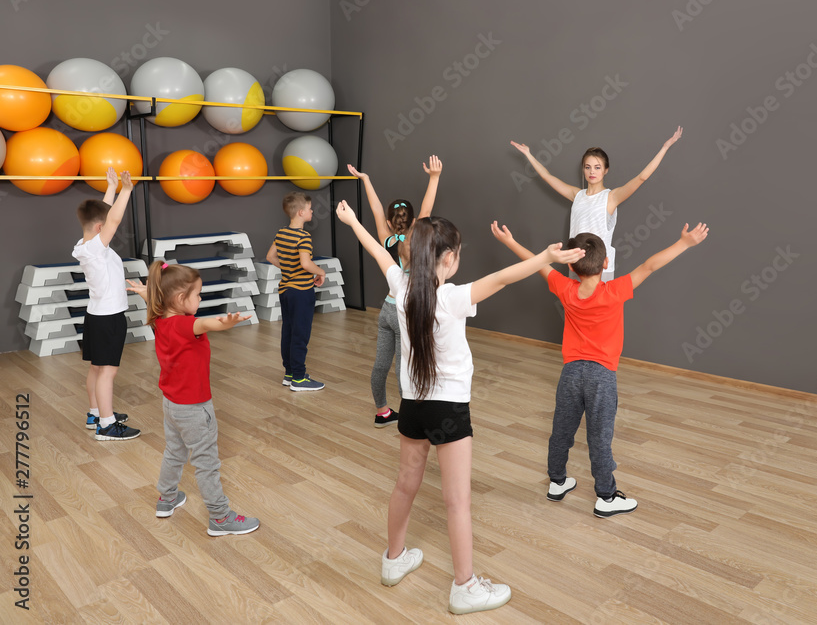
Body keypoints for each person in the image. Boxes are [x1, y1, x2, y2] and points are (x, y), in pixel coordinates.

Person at [336, 200, 583, 615]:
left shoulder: (400, 286)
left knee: (404, 485)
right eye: (459, 254)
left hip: (412, 406)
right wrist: (545, 257)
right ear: (448, 258)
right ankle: (464, 586)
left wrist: (351, 221)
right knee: (457, 501)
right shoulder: (450, 297)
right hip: (449, 409)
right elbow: (503, 278)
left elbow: (378, 251)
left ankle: (393, 560)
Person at [491, 219, 708, 517]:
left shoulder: (565, 288)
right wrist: (684, 243)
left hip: (570, 373)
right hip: (601, 377)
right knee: (599, 438)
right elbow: (649, 266)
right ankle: (606, 497)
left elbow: (537, 264)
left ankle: (557, 481)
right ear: (606, 262)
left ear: (570, 266)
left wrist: (509, 242)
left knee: (561, 431)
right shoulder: (615, 291)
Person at [127, 264, 260, 536]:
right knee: (207, 462)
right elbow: (205, 323)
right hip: (196, 409)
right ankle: (220, 518)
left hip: (171, 405)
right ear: (179, 299)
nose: (201, 299)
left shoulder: (160, 316)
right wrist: (226, 323)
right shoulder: (188, 324)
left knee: (175, 451)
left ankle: (166, 498)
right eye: (198, 294)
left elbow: (157, 302)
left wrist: (146, 292)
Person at [510, 127, 683, 280]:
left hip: (600, 268)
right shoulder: (576, 195)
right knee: (575, 311)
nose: (592, 171)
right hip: (575, 264)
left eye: (597, 167)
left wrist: (665, 147)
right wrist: (528, 155)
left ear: (605, 170)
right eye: (587, 167)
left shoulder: (611, 197)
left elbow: (641, 177)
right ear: (583, 169)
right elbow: (548, 177)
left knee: (599, 314)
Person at [347, 156, 442, 428]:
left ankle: (382, 411)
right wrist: (434, 177)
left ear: (390, 222)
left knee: (380, 364)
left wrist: (366, 180)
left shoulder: (386, 239)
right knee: (404, 367)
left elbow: (376, 209)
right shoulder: (419, 236)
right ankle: (410, 418)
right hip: (406, 310)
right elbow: (427, 207)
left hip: (387, 308)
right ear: (414, 221)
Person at [72, 167, 141, 440]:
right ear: (101, 229)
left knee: (97, 368)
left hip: (95, 316)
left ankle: (95, 413)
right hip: (109, 318)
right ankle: (107, 425)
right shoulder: (97, 249)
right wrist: (126, 190)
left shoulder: (85, 244)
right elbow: (111, 221)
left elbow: (104, 218)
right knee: (107, 373)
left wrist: (111, 188)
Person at [265, 192, 326, 391]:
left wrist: (287, 269)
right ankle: (299, 379)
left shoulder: (282, 232)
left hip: (285, 291)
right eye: (309, 208)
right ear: (301, 212)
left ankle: (289, 373)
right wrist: (321, 271)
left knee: (289, 331)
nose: (312, 211)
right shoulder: (304, 237)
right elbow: (306, 263)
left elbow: (270, 256)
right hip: (301, 292)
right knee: (301, 334)